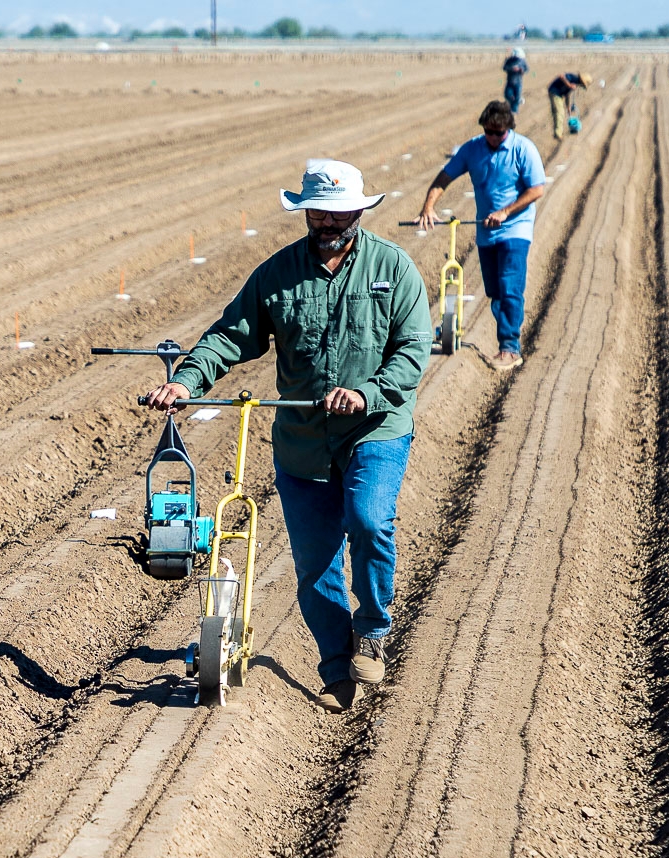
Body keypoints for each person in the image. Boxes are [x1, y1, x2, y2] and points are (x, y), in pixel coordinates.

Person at [144, 160, 432, 713]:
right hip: (302, 439)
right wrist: (184, 382)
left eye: (337, 210)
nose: (327, 220)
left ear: (358, 210)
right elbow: (231, 335)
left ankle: (371, 627)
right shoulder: (277, 275)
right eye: (317, 211)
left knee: (369, 519)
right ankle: (335, 664)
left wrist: (368, 392)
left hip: (375, 427)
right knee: (315, 564)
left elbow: (413, 351)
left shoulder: (393, 270)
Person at [417, 100, 547, 371]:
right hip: (486, 232)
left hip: (516, 228)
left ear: (508, 130)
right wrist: (428, 207)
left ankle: (510, 348)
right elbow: (444, 178)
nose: (493, 137)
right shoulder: (473, 148)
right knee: (495, 291)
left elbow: (537, 189)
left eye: (499, 133)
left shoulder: (523, 149)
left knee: (510, 286)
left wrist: (505, 212)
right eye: (489, 131)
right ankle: (505, 342)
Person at [547, 71, 590, 140]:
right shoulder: (572, 77)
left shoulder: (574, 83)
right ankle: (558, 134)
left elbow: (567, 94)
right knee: (560, 112)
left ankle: (557, 132)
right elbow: (561, 76)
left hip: (559, 95)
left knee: (557, 113)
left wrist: (568, 106)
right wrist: (569, 85)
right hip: (554, 92)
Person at [502, 48, 528, 112]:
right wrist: (511, 69)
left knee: (516, 98)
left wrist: (521, 70)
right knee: (507, 95)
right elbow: (504, 68)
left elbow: (526, 69)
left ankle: (514, 112)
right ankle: (515, 102)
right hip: (510, 82)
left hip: (518, 82)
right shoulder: (509, 60)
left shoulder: (522, 61)